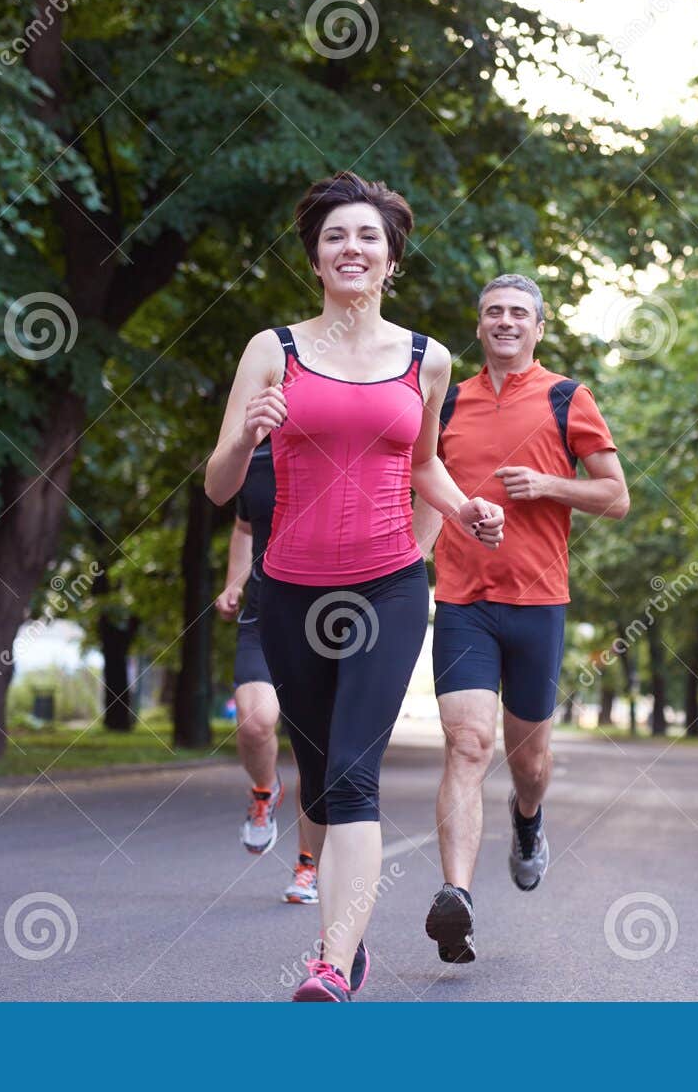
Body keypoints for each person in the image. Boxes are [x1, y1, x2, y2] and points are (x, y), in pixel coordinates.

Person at [204, 171, 504, 1002]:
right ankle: (349, 945)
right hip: (290, 589)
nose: (351, 248)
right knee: (320, 769)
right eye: (335, 236)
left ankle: (332, 961)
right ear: (316, 258)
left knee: (353, 778)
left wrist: (465, 507)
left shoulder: (426, 357)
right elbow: (219, 484)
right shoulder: (275, 351)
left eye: (367, 236)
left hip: (389, 586)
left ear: (390, 258)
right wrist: (247, 439)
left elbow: (423, 466)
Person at [414, 274, 628, 964]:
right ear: (478, 326)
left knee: (527, 761)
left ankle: (528, 820)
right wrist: (408, 565)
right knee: (468, 743)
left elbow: (615, 496)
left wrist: (548, 485)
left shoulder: (568, 397)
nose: (504, 322)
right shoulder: (448, 402)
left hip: (538, 604)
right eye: (492, 312)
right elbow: (424, 478)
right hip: (463, 602)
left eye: (517, 313)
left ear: (538, 328)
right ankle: (458, 898)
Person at [214, 440, 318, 905]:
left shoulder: (343, 448)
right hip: (264, 613)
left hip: (327, 621)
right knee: (255, 723)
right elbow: (242, 525)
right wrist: (234, 581)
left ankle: (308, 867)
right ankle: (265, 791)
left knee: (317, 751)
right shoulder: (254, 454)